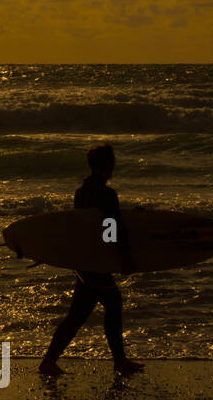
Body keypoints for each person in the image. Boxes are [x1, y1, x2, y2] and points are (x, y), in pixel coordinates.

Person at [39, 143, 145, 377]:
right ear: (108, 164)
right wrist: (123, 256)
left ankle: (49, 361)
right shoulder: (107, 194)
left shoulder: (82, 191)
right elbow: (111, 226)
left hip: (85, 259)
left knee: (79, 314)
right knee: (112, 304)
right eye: (112, 162)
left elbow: (89, 225)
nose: (113, 167)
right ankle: (119, 361)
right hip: (96, 262)